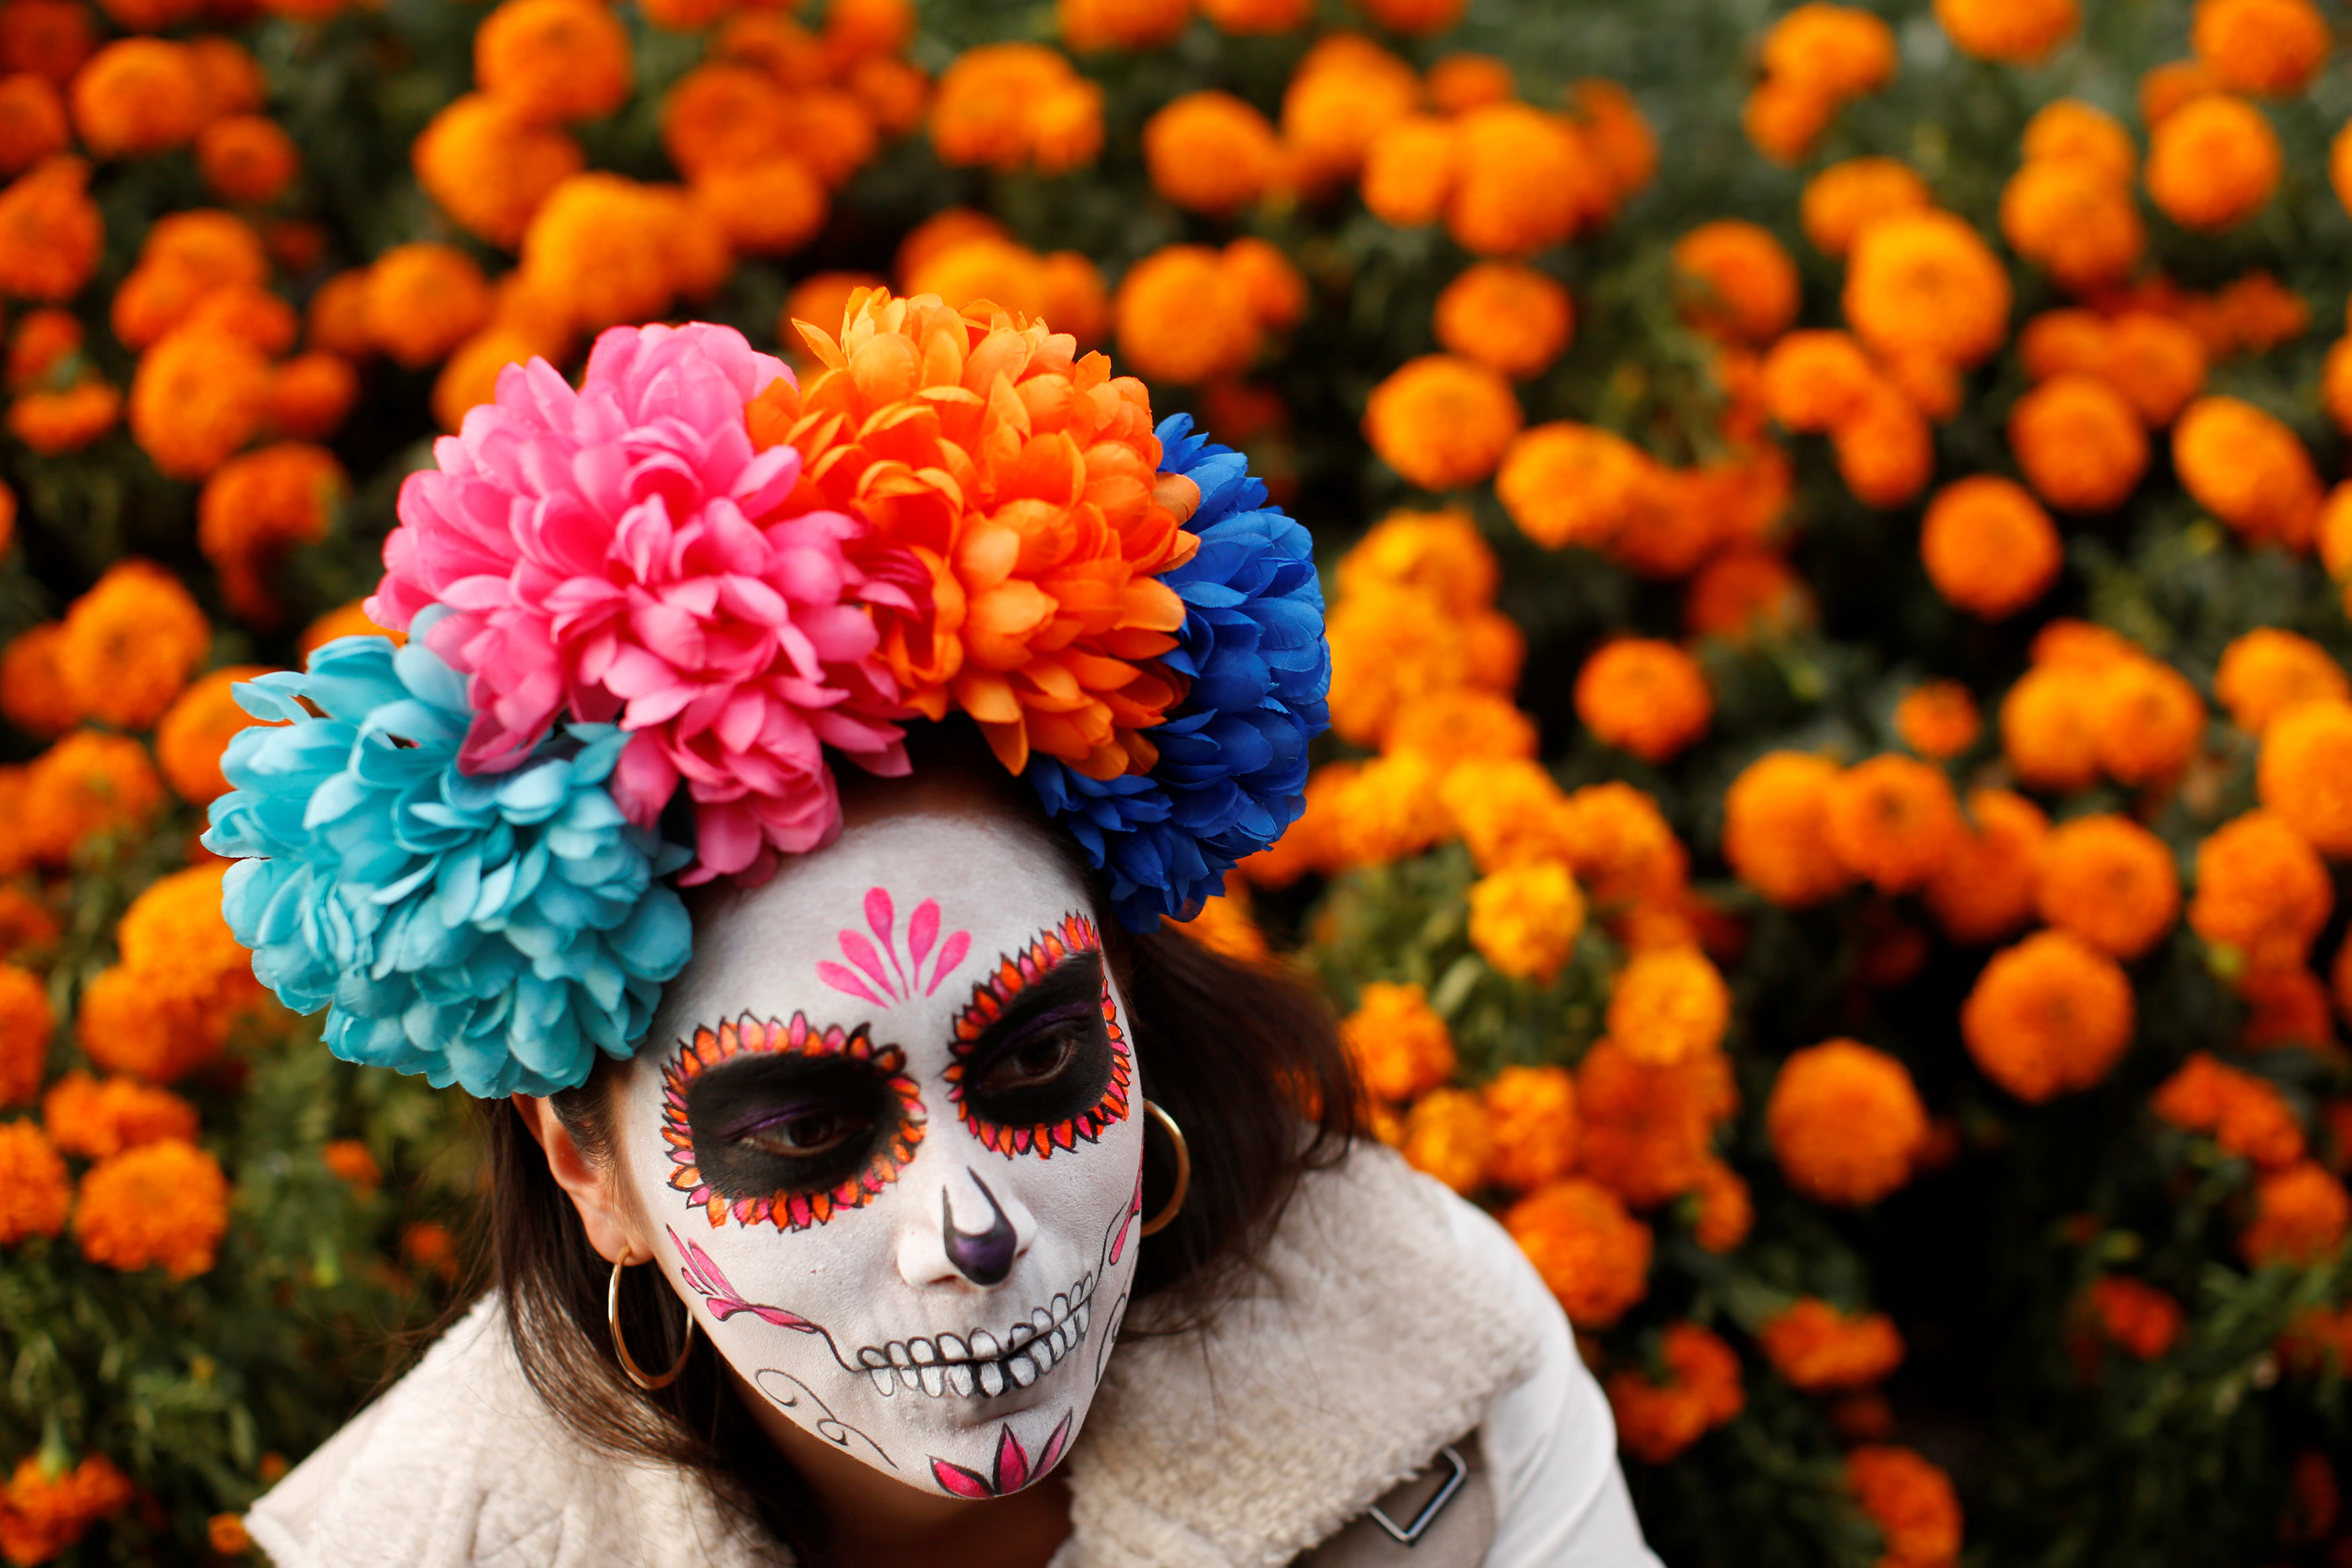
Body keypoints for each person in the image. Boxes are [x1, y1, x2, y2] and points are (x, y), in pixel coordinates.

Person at [212, 303, 1661, 1567]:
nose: (967, 1231)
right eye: (799, 1134)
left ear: (1130, 1023)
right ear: (594, 1174)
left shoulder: (1437, 1357)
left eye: (1036, 1067)